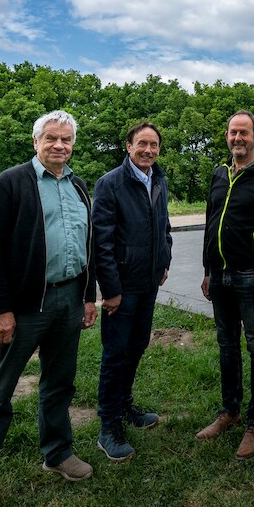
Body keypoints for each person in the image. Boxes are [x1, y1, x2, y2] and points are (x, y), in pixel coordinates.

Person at [0, 110, 99, 507]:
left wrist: (87, 298)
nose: (60, 145)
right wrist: (0, 310)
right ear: (36, 142)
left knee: (59, 384)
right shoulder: (11, 183)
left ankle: (57, 454)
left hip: (69, 301)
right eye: (52, 138)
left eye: (67, 139)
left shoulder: (77, 185)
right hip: (23, 309)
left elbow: (83, 247)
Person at [196, 110, 254, 459]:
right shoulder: (219, 174)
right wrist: (207, 269)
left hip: (252, 276)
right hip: (219, 275)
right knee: (226, 346)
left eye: (244, 133)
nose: (238, 138)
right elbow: (210, 222)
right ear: (227, 136)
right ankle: (229, 411)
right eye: (233, 132)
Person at [91, 121, 173, 462]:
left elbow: (164, 224)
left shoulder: (158, 179)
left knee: (137, 345)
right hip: (121, 288)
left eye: (154, 145)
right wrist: (110, 289)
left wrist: (164, 259)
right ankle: (108, 425)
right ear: (128, 146)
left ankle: (125, 407)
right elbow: (101, 239)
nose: (148, 150)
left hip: (148, 283)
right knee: (115, 353)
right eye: (142, 144)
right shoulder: (111, 183)